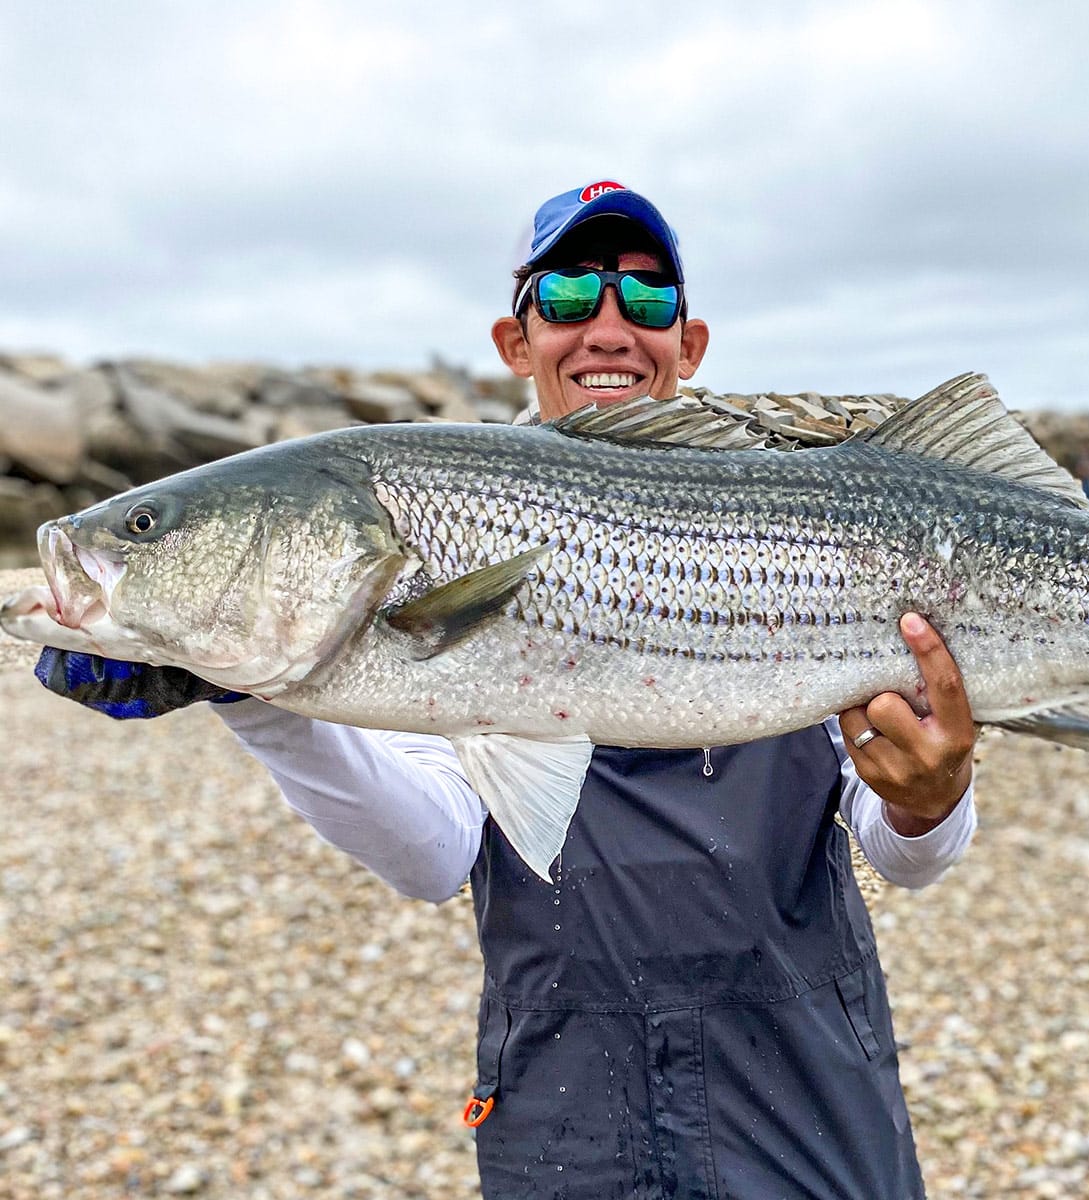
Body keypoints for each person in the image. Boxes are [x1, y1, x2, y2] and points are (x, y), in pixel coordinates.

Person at [37, 180, 978, 1198]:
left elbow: (904, 856)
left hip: (804, 1086)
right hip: (568, 1104)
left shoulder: (811, 520)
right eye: (569, 295)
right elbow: (434, 852)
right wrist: (251, 696)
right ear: (514, 340)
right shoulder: (444, 516)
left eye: (647, 300)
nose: (608, 326)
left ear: (689, 343)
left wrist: (930, 798)